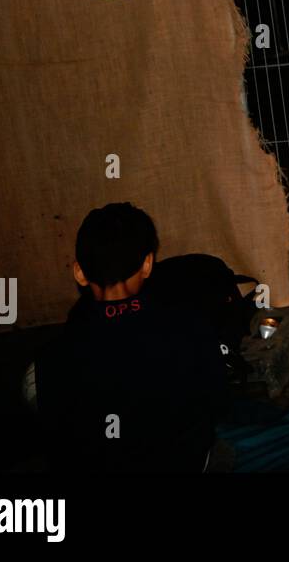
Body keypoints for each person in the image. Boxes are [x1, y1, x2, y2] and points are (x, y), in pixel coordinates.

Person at [33, 202, 229, 472]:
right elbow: (216, 399)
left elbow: (56, 439)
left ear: (79, 272)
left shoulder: (52, 357)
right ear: (147, 264)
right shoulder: (189, 327)